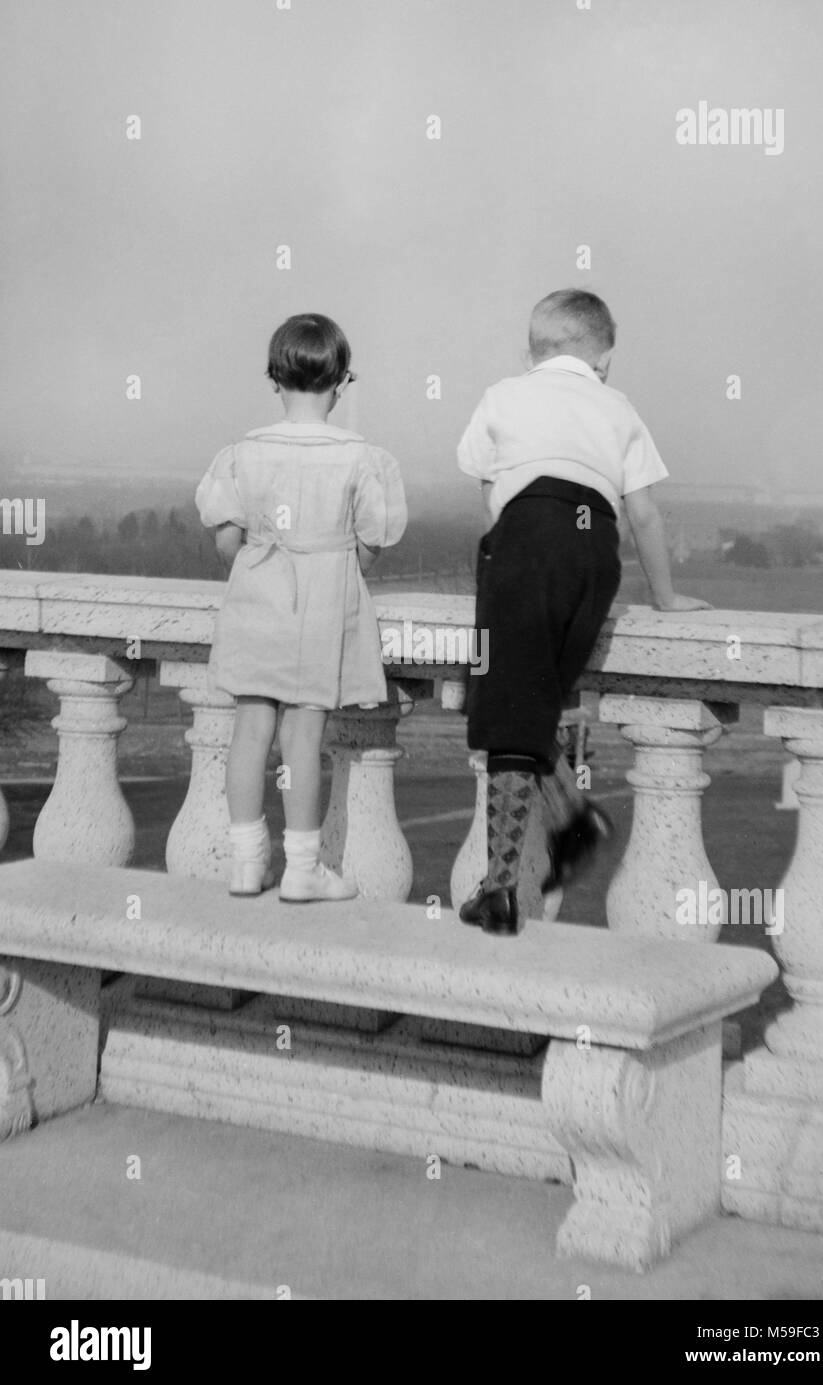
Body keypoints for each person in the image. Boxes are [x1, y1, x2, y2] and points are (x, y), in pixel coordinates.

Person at [456, 288, 710, 934]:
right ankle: (573, 818)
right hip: (595, 551)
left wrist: (515, 549)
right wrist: (665, 597)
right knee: (537, 698)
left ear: (531, 350)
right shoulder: (617, 405)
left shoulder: (504, 394)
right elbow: (644, 512)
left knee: (510, 711)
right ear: (605, 361)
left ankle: (500, 889)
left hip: (528, 541)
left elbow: (489, 488)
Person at [195, 312, 407, 900]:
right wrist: (332, 567)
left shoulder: (243, 452)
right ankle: (302, 871)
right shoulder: (362, 457)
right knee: (303, 739)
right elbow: (370, 545)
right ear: (341, 381)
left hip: (257, 594)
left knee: (249, 730)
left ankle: (245, 864)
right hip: (320, 605)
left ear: (274, 379)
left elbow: (227, 542)